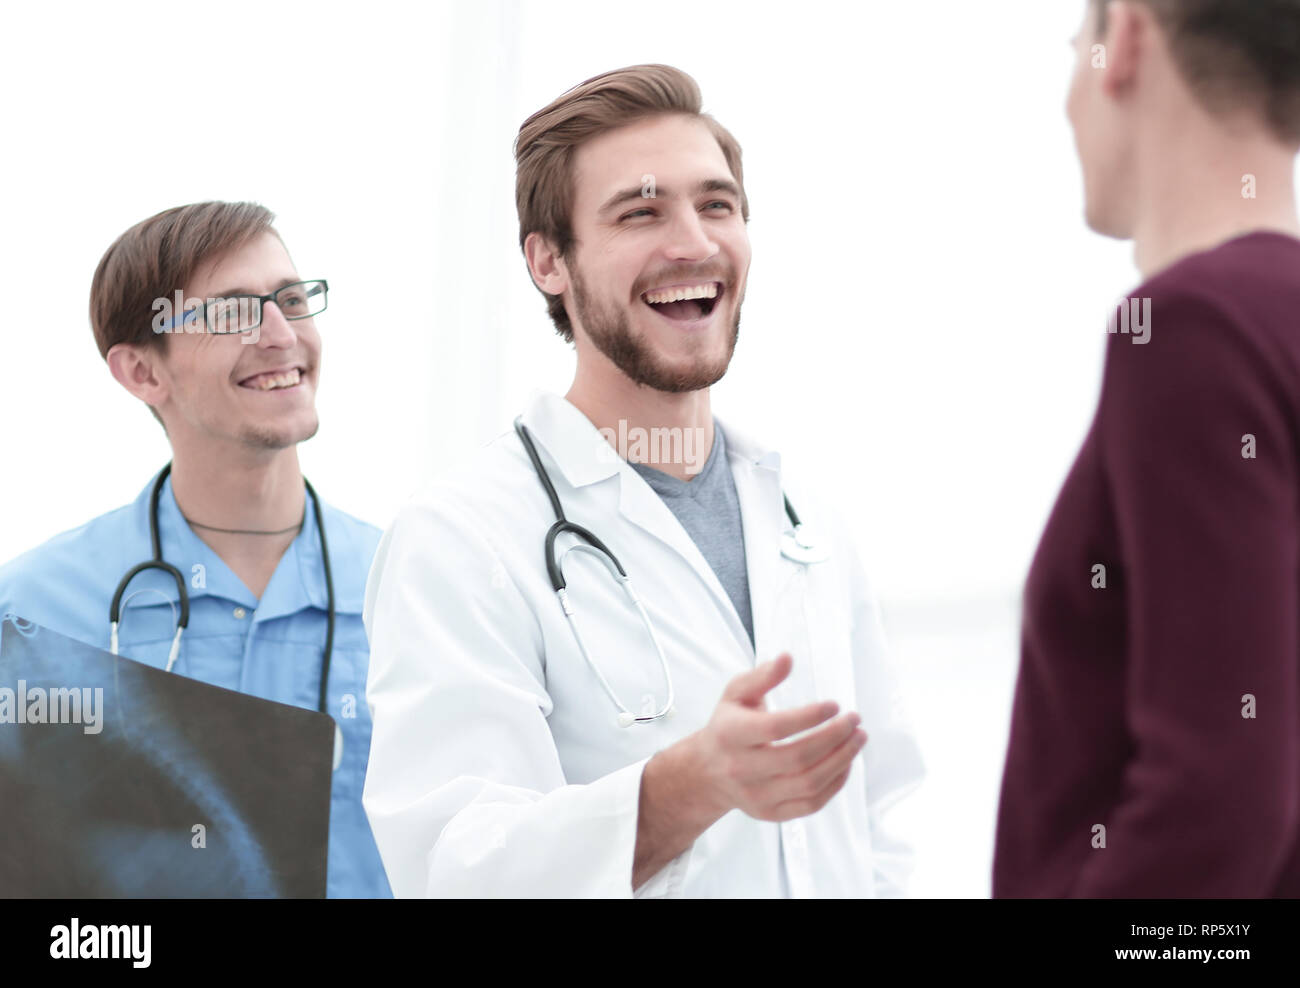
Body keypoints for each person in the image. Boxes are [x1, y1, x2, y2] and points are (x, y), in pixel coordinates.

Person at [362, 64, 924, 898]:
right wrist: (687, 786)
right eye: (642, 211)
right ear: (549, 261)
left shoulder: (802, 516)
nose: (694, 242)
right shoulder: (461, 539)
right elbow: (455, 865)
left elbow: (885, 813)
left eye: (718, 205)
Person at [994, 0, 1300, 897]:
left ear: (1126, 34)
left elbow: (1221, 792)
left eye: (1074, 44)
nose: (1067, 95)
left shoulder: (1191, 328)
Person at [0, 201, 392, 898]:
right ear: (142, 373)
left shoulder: (411, 588)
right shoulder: (32, 613)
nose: (281, 335)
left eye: (293, 300)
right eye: (233, 312)